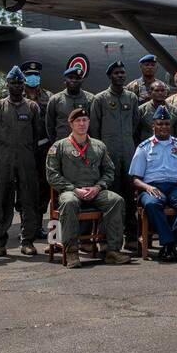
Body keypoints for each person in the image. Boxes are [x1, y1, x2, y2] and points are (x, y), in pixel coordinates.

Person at [46, 107, 131, 268]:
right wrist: (73, 189)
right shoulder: (59, 146)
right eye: (78, 121)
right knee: (69, 203)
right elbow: (52, 175)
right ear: (71, 124)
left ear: (89, 122)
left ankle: (112, 250)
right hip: (71, 192)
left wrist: (98, 187)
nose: (82, 124)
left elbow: (109, 171)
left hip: (95, 191)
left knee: (116, 200)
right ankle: (71, 252)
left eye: (85, 120)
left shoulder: (99, 146)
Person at [0, 67, 47, 257]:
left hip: (26, 158)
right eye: (13, 83)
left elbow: (37, 133)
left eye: (19, 83)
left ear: (23, 85)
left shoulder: (32, 107)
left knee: (29, 199)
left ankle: (27, 241)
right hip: (4, 159)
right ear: (7, 84)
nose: (16, 86)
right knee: (2, 200)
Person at [129, 106, 177, 263]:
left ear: (171, 125)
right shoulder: (144, 147)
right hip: (152, 188)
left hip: (176, 187)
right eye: (160, 124)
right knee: (152, 204)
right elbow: (135, 179)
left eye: (167, 124)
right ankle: (173, 244)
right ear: (153, 125)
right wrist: (147, 187)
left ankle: (171, 245)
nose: (163, 127)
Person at [89, 60, 142, 251]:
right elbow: (94, 130)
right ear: (110, 76)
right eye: (116, 73)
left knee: (130, 197)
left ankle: (131, 238)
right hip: (107, 155)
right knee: (110, 197)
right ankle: (106, 240)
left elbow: (135, 125)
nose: (120, 75)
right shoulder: (100, 99)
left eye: (122, 72)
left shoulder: (132, 98)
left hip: (128, 154)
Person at [20, 59, 54, 236]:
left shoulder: (48, 97)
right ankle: (25, 226)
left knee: (43, 188)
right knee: (24, 188)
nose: (33, 78)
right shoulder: (17, 97)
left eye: (36, 75)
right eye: (29, 75)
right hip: (24, 149)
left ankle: (39, 225)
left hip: (43, 149)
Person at [45, 66, 93, 142]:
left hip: (84, 144)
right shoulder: (55, 99)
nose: (73, 80)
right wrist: (56, 143)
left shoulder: (90, 99)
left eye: (77, 78)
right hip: (62, 145)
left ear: (82, 81)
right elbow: (50, 126)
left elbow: (93, 125)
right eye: (70, 77)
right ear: (65, 80)